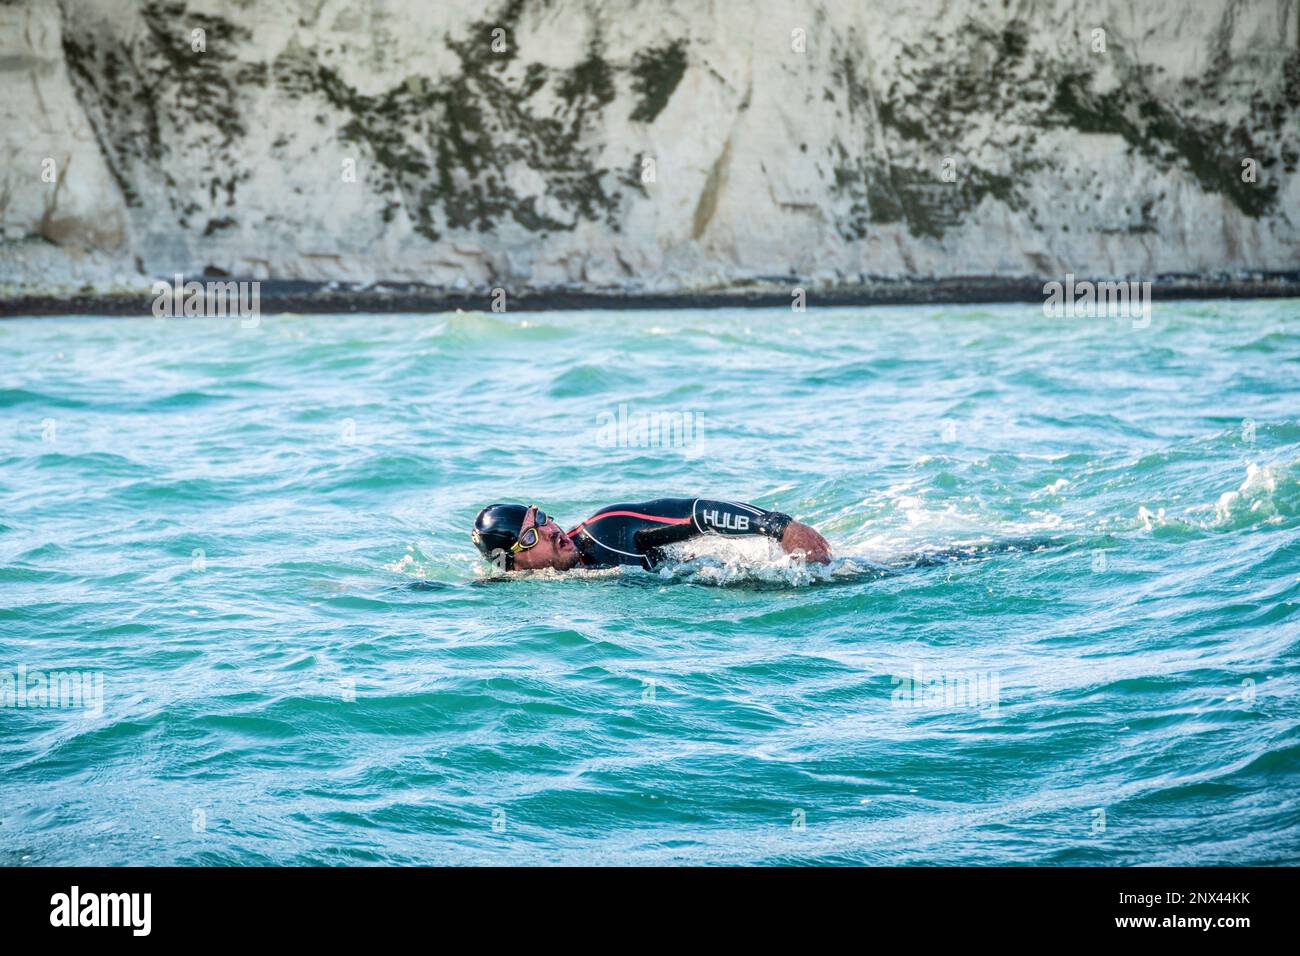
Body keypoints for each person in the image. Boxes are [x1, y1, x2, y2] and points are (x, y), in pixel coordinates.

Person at [471, 498, 831, 571]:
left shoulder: (609, 530)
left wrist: (780, 527)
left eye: (543, 518)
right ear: (513, 566)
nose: (552, 531)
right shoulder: (521, 590)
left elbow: (700, 515)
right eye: (532, 537)